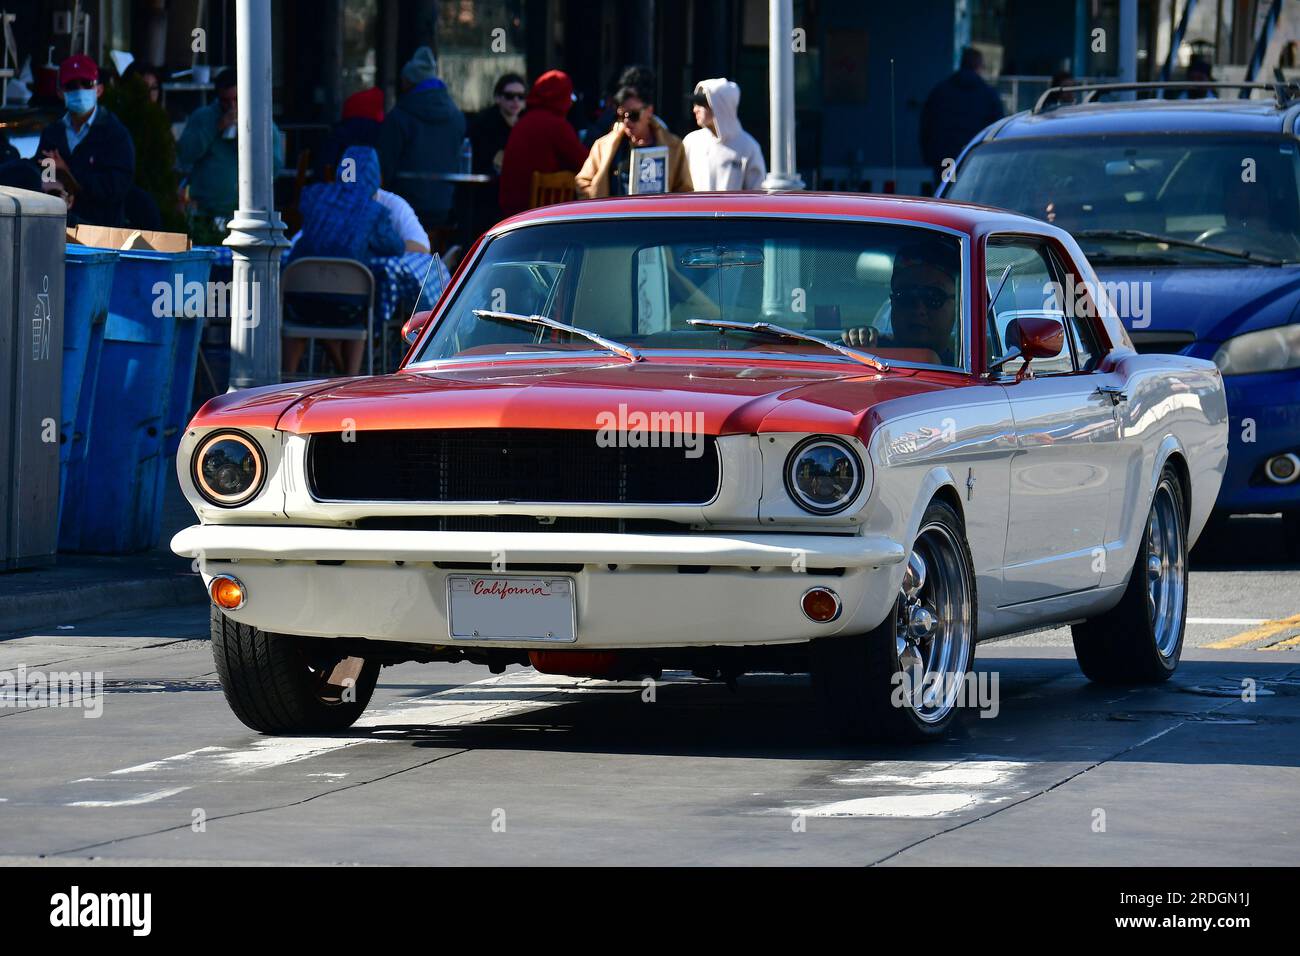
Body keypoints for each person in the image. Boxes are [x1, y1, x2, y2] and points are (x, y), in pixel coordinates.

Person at [284, 145, 406, 377]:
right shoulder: (374, 212)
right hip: (347, 308)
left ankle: (285, 377)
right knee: (361, 309)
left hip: (300, 302)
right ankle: (350, 376)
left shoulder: (312, 196)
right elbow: (395, 247)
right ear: (374, 176)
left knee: (296, 308)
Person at [34, 54, 136, 226]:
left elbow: (115, 188)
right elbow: (46, 176)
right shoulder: (53, 133)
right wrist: (57, 189)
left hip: (100, 236)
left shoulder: (115, 135)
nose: (79, 90)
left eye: (86, 83)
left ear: (99, 89)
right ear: (60, 92)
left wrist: (69, 173)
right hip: (56, 230)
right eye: (71, 85)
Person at [177, 68, 284, 221]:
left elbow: (275, 168)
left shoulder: (263, 123)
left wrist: (250, 141)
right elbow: (185, 155)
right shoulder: (203, 117)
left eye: (237, 99)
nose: (232, 107)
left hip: (247, 213)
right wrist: (215, 128)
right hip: (204, 210)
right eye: (225, 101)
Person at [378, 46, 465, 233]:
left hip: (404, 208)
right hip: (445, 206)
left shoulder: (398, 117)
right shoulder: (456, 116)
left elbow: (385, 165)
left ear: (409, 81)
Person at [841, 240, 960, 367]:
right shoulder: (869, 355)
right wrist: (858, 345)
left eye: (933, 297)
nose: (919, 308)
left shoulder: (969, 374)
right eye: (905, 296)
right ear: (892, 302)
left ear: (958, 307)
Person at [576, 69, 691, 198]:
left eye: (633, 115)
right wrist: (597, 208)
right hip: (615, 216)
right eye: (621, 116)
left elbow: (684, 190)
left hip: (655, 216)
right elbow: (582, 182)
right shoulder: (603, 145)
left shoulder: (673, 146)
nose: (627, 121)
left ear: (649, 111)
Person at [497, 70, 589, 217]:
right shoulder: (556, 125)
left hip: (509, 213)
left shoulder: (523, 122)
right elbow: (585, 164)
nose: (571, 101)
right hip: (543, 214)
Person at [919, 47, 1004, 188]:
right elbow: (997, 128)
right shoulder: (988, 95)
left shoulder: (940, 92)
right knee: (971, 196)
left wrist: (929, 155)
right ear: (978, 66)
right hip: (976, 157)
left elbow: (927, 125)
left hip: (946, 156)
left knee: (947, 194)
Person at [466, 72, 527, 232]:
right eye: (510, 96)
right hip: (487, 192)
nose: (516, 101)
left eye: (520, 96)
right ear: (498, 98)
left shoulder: (525, 124)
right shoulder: (485, 124)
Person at [682, 78, 765, 191]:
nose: (695, 109)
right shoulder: (691, 142)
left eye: (701, 104)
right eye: (695, 104)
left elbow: (756, 196)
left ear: (720, 106)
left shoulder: (749, 147)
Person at [317, 87, 385, 179]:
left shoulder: (340, 133)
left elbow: (326, 165)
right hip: (372, 187)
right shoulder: (380, 132)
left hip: (340, 187)